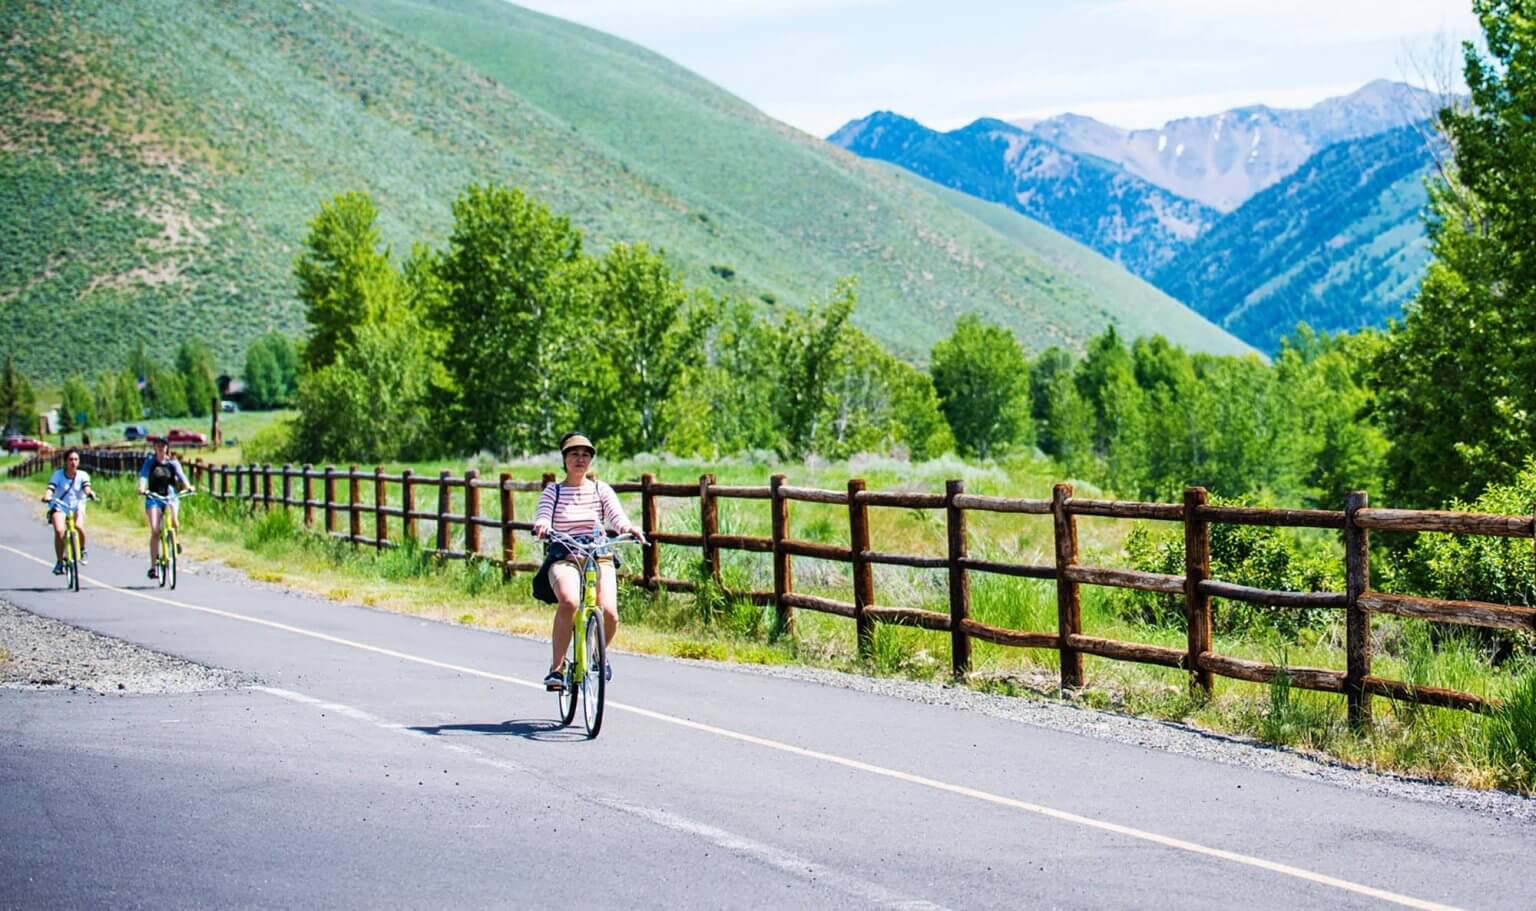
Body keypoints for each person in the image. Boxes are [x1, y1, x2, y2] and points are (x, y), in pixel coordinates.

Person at [530, 432, 645, 691]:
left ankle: (596, 654)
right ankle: (557, 669)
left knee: (610, 614)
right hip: (565, 556)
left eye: (585, 455)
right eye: (574, 454)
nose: (580, 459)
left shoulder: (600, 489)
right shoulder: (554, 491)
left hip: (598, 555)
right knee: (569, 601)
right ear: (564, 459)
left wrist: (630, 528)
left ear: (591, 460)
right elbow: (544, 515)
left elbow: (617, 518)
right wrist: (542, 525)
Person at [138, 436, 194, 580]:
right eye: (158, 446)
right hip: (154, 498)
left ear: (167, 447)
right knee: (155, 530)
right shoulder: (150, 462)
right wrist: (142, 488)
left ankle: (175, 540)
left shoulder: (173, 463)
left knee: (175, 521)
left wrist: (188, 487)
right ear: (154, 448)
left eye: (163, 445)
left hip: (170, 497)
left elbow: (181, 476)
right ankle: (153, 567)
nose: (161, 448)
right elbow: (144, 476)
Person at [41, 448, 96, 574]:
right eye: (70, 459)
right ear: (65, 461)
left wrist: (90, 493)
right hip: (60, 505)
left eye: (76, 459)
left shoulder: (82, 475)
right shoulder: (58, 475)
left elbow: (86, 488)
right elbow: (51, 488)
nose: (73, 462)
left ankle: (82, 550)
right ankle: (60, 562)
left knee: (78, 526)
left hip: (77, 505)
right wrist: (47, 496)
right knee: (59, 530)